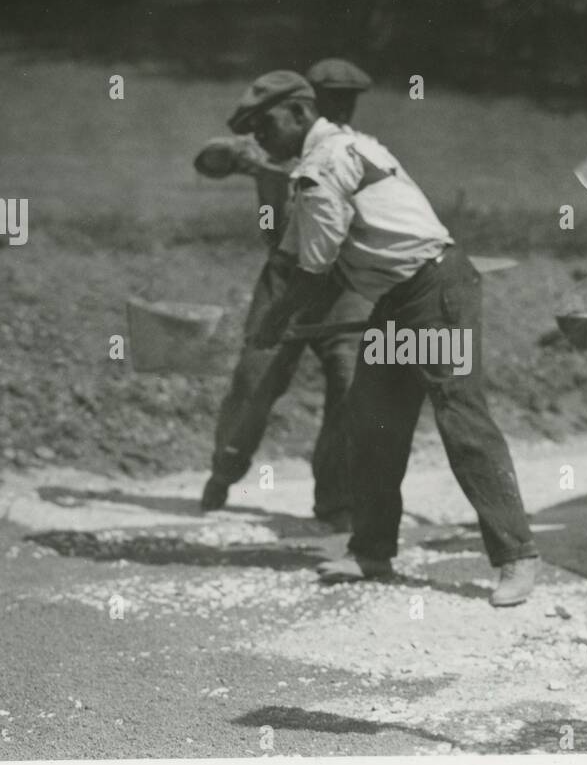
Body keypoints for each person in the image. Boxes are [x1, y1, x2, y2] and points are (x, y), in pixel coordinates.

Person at [232, 71, 547, 607]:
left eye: (265, 125)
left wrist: (275, 318)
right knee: (372, 416)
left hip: (434, 289)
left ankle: (517, 557)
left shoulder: (323, 165)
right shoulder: (345, 148)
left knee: (460, 416)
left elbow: (314, 269)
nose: (260, 139)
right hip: (398, 301)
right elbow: (306, 247)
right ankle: (372, 550)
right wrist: (274, 313)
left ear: (301, 114)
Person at [194, 64, 373, 526]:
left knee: (349, 383)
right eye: (331, 97)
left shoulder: (353, 149)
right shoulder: (271, 137)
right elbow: (208, 159)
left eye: (347, 99)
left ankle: (335, 500)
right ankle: (224, 470)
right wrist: (256, 165)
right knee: (255, 382)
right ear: (308, 100)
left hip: (343, 286)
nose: (339, 107)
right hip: (286, 277)